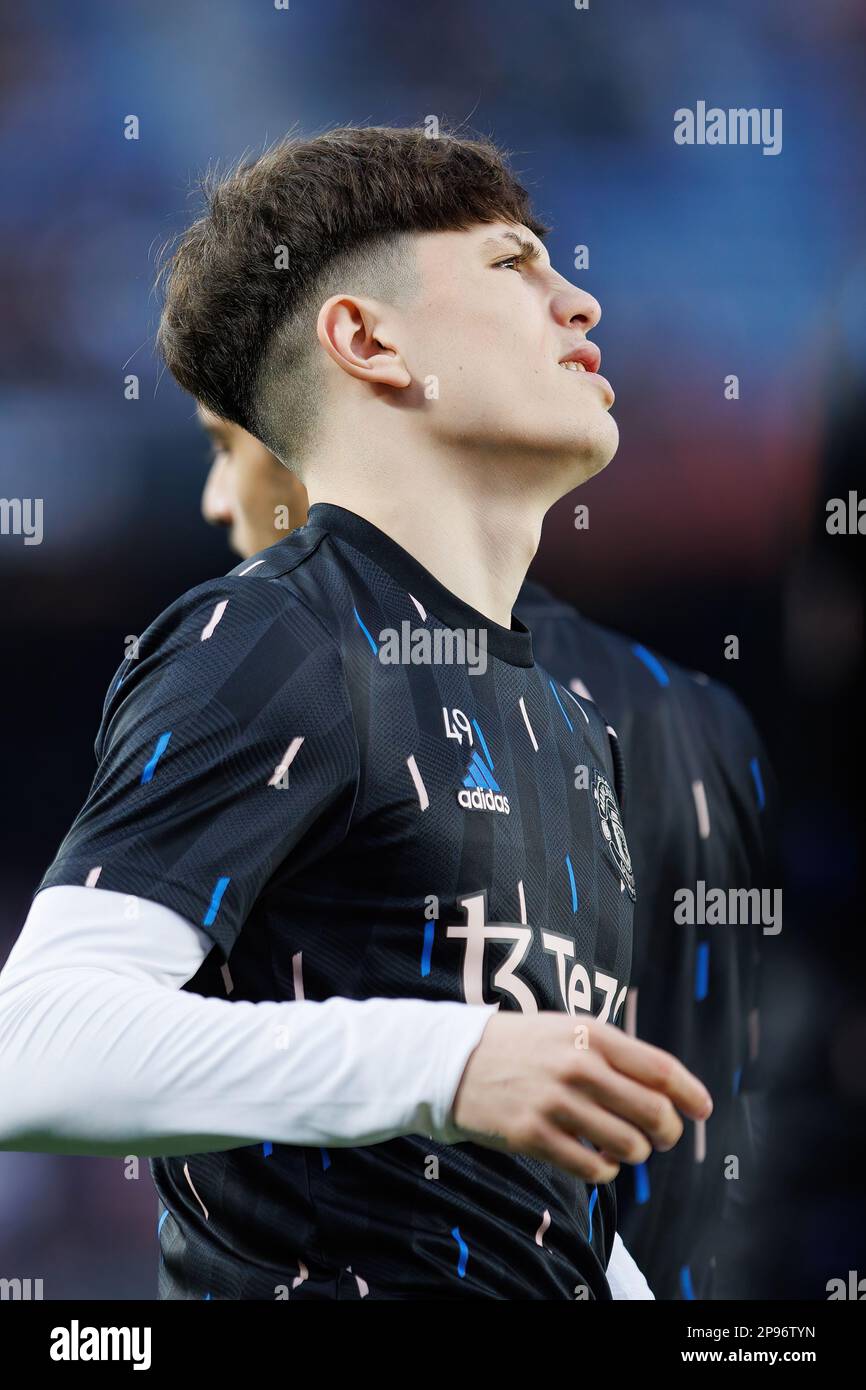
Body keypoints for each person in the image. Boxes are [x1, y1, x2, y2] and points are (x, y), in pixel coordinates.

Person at [0, 126, 714, 1301]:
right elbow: (41, 1047)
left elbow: (528, 1218)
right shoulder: (277, 637)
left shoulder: (571, 730)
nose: (579, 301)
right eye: (510, 265)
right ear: (367, 339)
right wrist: (448, 1055)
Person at [195, 409, 776, 1300]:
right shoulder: (712, 720)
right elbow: (754, 1076)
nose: (216, 500)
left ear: (316, 441)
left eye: (225, 444)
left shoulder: (322, 674)